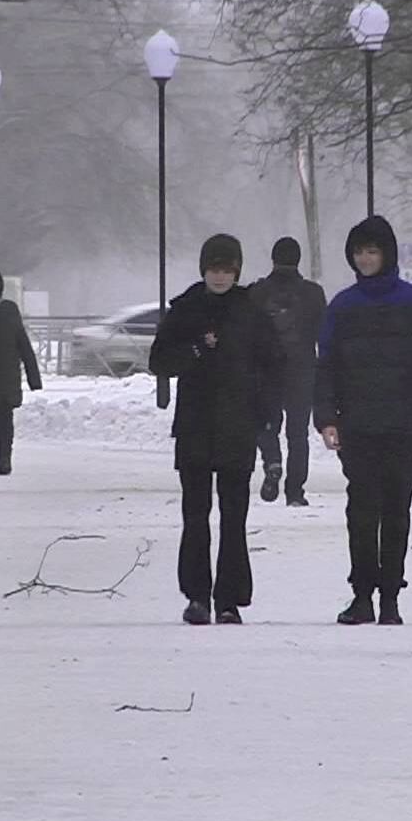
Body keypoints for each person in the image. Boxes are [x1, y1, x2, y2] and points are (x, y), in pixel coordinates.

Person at [315, 215, 412, 626]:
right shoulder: (343, 306)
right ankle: (362, 595)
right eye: (359, 251)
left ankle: (390, 595)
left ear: (387, 254)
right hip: (357, 425)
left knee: (396, 510)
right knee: (361, 510)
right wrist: (327, 419)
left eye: (372, 250)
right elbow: (327, 366)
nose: (365, 258)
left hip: (402, 424)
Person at [148, 233, 284, 625]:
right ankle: (196, 596)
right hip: (194, 426)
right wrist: (194, 350)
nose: (220, 276)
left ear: (237, 271)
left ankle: (229, 598)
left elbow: (274, 363)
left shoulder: (251, 311)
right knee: (195, 515)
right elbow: (160, 361)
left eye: (227, 269)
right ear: (203, 269)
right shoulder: (186, 309)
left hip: (238, 426)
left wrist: (269, 411)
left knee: (233, 516)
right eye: (214, 269)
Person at [248, 237, 327, 506]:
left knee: (266, 425)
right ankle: (295, 491)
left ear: (273, 259)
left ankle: (272, 461)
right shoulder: (313, 294)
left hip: (266, 373)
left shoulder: (257, 293)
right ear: (298, 260)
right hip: (302, 372)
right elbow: (323, 335)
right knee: (298, 434)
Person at [0, 266, 44, 476]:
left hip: (6, 380)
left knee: (5, 425)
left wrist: (34, 378)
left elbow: (23, 343)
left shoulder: (9, 310)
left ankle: (5, 461)